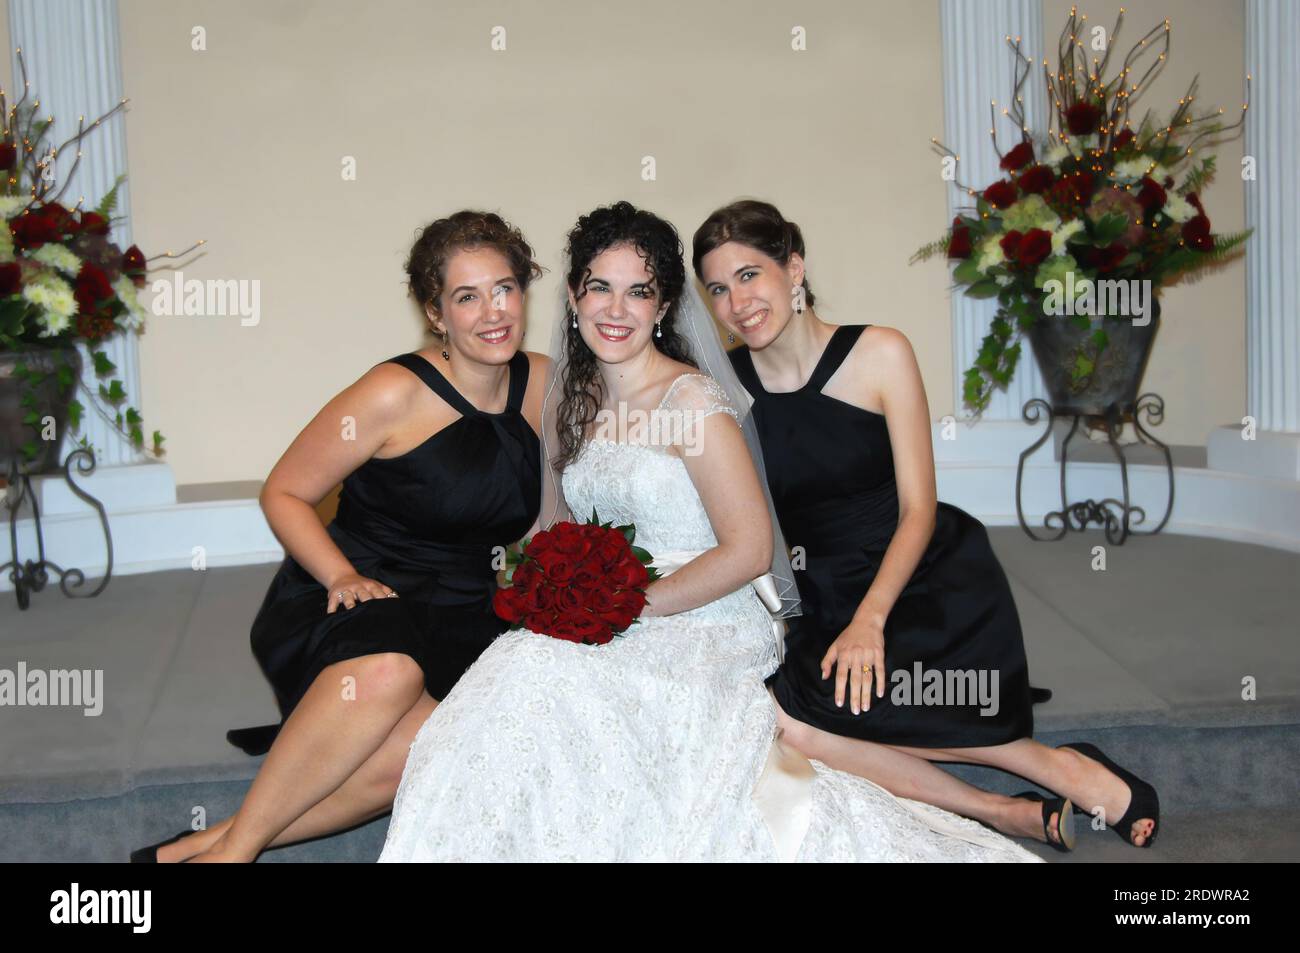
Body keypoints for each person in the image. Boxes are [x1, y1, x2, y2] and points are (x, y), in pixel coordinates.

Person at [377, 201, 1042, 862]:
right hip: (617, 608)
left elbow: (749, 548)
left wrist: (628, 605)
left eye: (638, 291)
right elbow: (551, 528)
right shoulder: (572, 403)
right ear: (575, 297)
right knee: (519, 669)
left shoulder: (690, 400)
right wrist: (533, 584)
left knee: (547, 676)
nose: (616, 309)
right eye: (599, 287)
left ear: (663, 305)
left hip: (707, 611)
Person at [692, 198, 1158, 850]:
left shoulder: (879, 352)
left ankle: (1062, 767)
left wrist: (871, 620)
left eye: (750, 274)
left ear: (793, 268)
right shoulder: (722, 390)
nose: (737, 301)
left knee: (908, 698)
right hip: (822, 597)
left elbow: (919, 506)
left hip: (920, 579)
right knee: (788, 725)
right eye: (717, 288)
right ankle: (1000, 808)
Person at [131, 210, 548, 862]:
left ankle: (203, 848)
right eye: (467, 296)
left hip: (463, 615)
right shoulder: (393, 393)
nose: (492, 311)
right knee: (387, 672)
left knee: (438, 745)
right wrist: (340, 576)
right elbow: (285, 490)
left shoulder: (540, 385)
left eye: (505, 287)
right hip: (355, 592)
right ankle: (233, 858)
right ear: (436, 313)